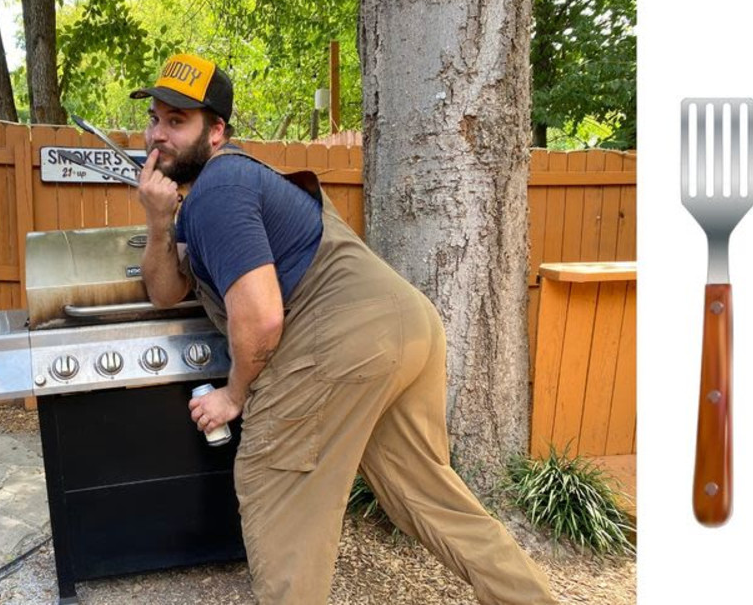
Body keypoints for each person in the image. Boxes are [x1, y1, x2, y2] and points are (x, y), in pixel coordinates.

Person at [132, 53, 558, 605]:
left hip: (338, 342)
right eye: (156, 119)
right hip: (408, 326)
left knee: (274, 487)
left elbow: (262, 318)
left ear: (216, 132)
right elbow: (167, 291)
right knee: (425, 495)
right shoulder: (225, 192)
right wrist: (158, 223)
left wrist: (234, 396)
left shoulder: (219, 188)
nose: (159, 136)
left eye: (177, 121)